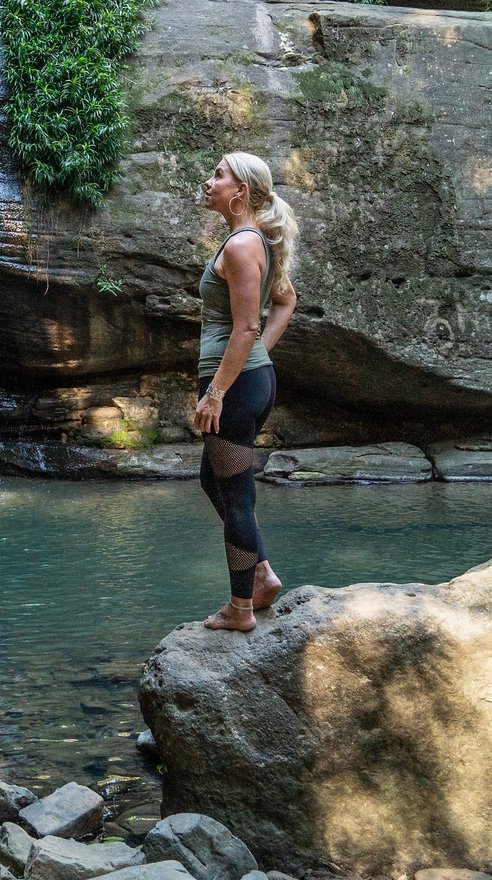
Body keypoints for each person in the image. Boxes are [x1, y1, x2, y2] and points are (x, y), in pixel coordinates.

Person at [193, 152, 299, 631]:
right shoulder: (256, 241)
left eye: (219, 174)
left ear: (241, 190)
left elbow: (244, 328)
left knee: (236, 496)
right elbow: (286, 301)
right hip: (250, 378)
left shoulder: (241, 246)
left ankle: (241, 608)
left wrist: (215, 392)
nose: (209, 180)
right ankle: (261, 572)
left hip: (233, 385)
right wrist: (258, 356)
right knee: (213, 480)